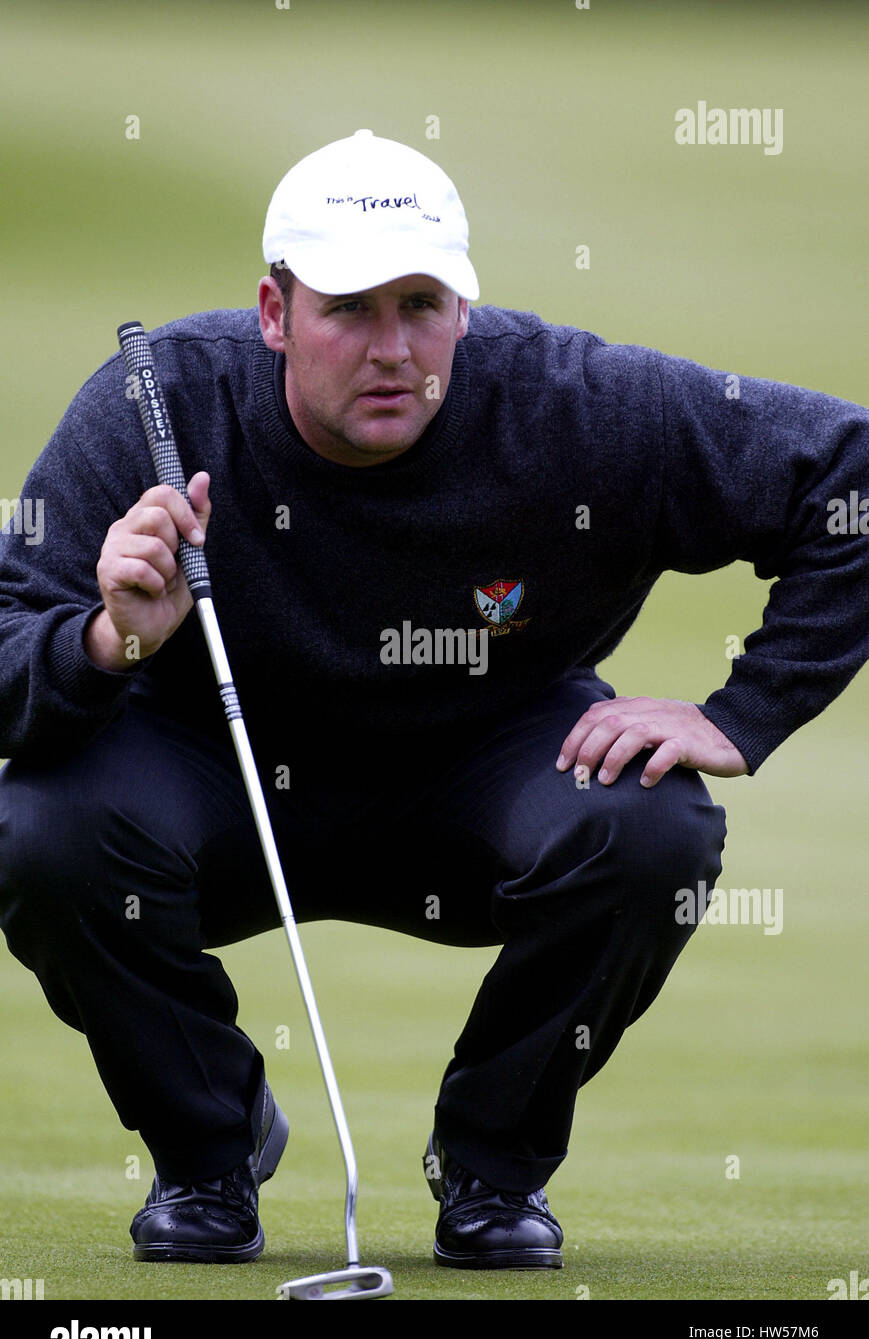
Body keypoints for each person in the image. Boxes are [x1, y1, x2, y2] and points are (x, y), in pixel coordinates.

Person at [0, 129, 866, 1272]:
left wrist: (740, 713)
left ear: (465, 305)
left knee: (652, 825)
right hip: (214, 777)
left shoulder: (576, 406)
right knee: (37, 828)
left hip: (483, 768)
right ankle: (206, 1155)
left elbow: (845, 473)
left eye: (421, 304)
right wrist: (107, 641)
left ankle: (490, 1172)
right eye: (348, 308)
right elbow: (15, 651)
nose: (391, 348)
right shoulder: (152, 405)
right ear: (273, 311)